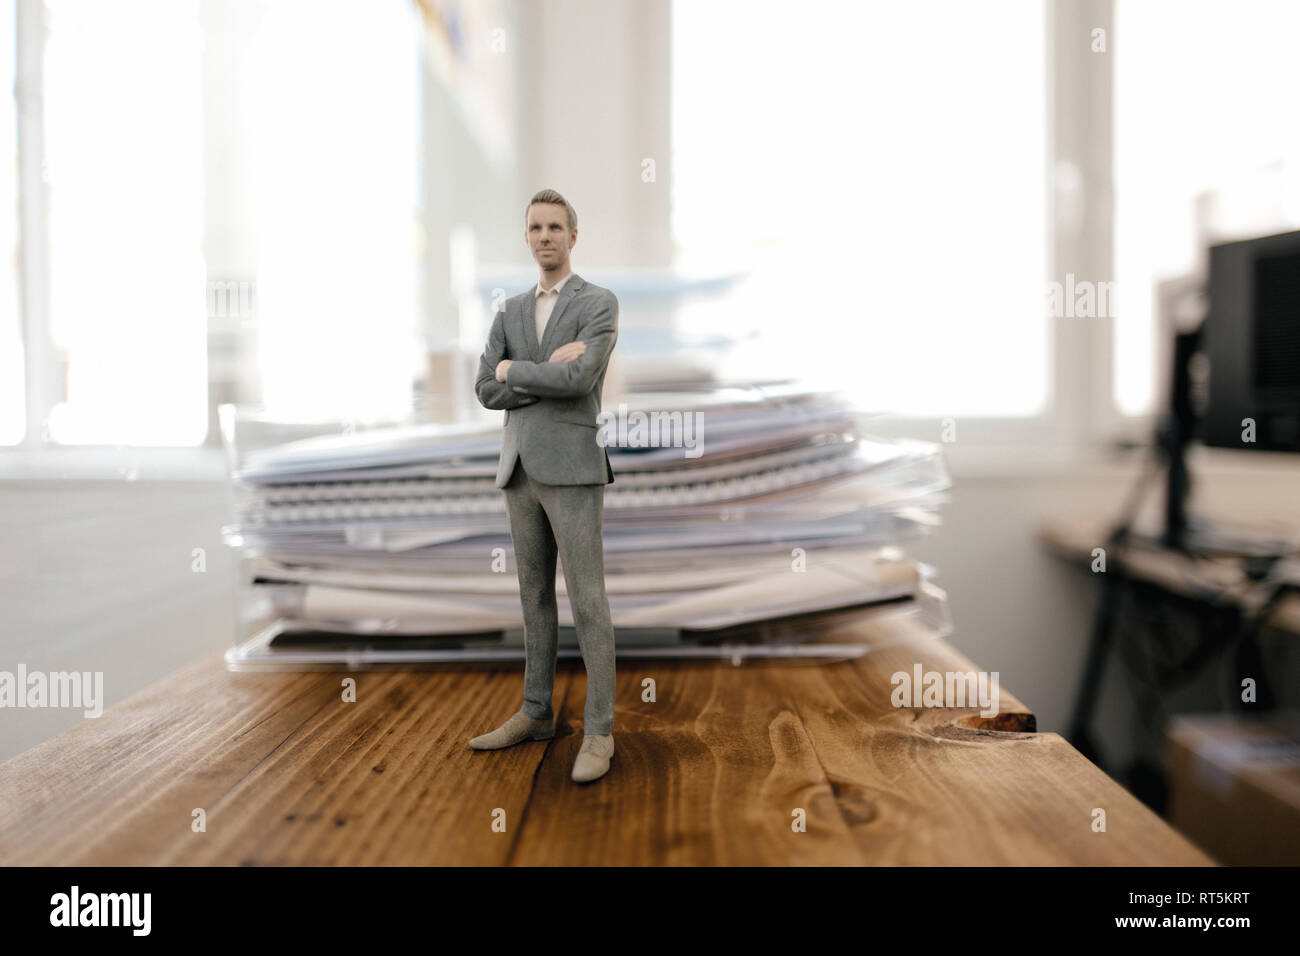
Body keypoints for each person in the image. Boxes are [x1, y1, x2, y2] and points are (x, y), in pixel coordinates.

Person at [470, 188, 619, 783]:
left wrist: (515, 372)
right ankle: (537, 712)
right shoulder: (507, 311)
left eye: (556, 226)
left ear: (572, 236)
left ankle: (600, 731)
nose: (545, 236)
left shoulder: (598, 303)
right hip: (520, 470)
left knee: (587, 600)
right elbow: (484, 388)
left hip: (574, 468)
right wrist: (534, 372)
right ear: (527, 236)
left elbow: (581, 377)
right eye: (535, 227)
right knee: (533, 600)